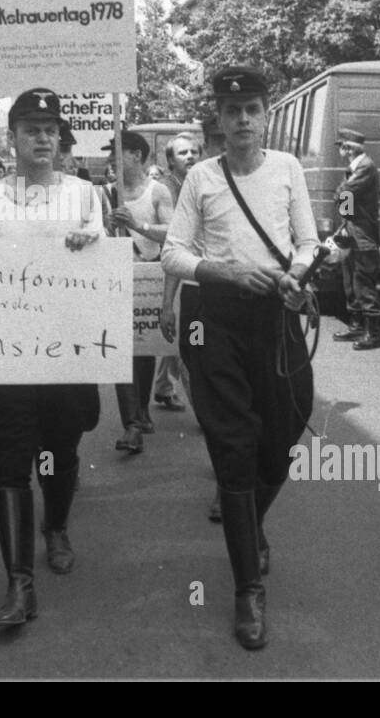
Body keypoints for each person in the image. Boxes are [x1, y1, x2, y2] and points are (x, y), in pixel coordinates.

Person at [162, 65, 318, 649]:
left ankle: (248, 525)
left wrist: (298, 274)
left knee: (282, 439)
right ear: (220, 121)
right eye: (233, 112)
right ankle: (247, 590)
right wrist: (221, 270)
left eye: (252, 109)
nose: (244, 120)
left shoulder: (287, 169)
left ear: (266, 113)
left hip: (275, 314)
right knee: (232, 445)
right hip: (215, 319)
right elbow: (173, 254)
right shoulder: (201, 176)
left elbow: (308, 239)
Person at [0, 88, 105, 628]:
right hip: (8, 347)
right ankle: (19, 582)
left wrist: (93, 242)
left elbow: (103, 264)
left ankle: (56, 525)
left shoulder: (86, 195)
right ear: (13, 137)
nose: (42, 138)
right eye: (30, 129)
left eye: (50, 129)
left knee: (63, 445)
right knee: (13, 458)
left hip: (66, 346)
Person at [104, 130, 174, 454]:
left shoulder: (157, 192)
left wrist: (136, 224)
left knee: (143, 349)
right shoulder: (106, 192)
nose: (110, 159)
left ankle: (141, 412)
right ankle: (132, 424)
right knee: (122, 351)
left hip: (149, 277)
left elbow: (172, 236)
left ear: (135, 155)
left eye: (116, 152)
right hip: (115, 278)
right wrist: (105, 227)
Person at [154, 133, 200, 414]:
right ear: (170, 160)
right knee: (192, 342)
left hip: (196, 271)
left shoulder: (200, 181)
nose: (190, 156)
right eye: (183, 153)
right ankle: (204, 408)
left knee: (184, 338)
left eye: (194, 151)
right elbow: (173, 236)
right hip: (175, 271)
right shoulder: (167, 187)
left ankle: (163, 386)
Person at [331, 128, 380, 350]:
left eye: (342, 146)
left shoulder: (365, 167)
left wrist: (340, 196)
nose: (340, 151)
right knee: (350, 280)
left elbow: (345, 192)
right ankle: (357, 326)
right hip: (353, 233)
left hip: (363, 236)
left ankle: (373, 333)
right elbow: (346, 202)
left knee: (364, 282)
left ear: (348, 148)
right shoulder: (354, 167)